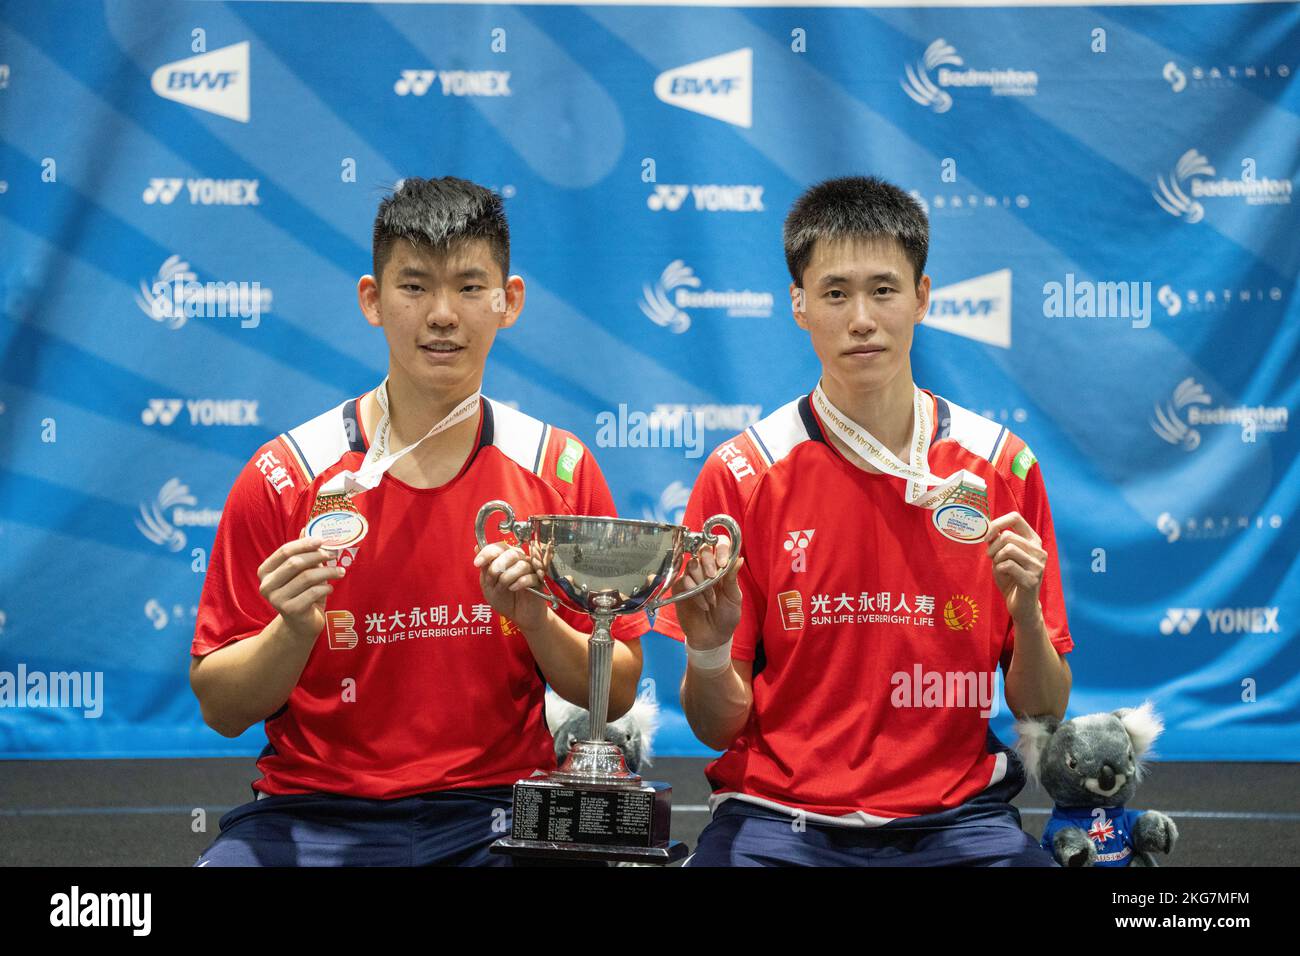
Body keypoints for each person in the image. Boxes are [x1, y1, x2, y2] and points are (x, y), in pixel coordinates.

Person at [189, 177, 646, 866]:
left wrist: (534, 618)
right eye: (413, 287)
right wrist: (293, 630)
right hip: (314, 809)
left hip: (501, 812)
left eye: (468, 287)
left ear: (508, 301)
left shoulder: (557, 469)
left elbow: (615, 689)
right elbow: (221, 710)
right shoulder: (285, 475)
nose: (441, 315)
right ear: (372, 300)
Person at [656, 175, 1073, 866]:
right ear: (798, 304)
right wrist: (706, 652)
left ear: (923, 297)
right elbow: (712, 727)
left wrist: (1027, 616)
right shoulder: (741, 474)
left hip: (957, 821)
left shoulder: (1003, 465)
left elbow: (1042, 711)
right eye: (835, 293)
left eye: (883, 290)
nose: (861, 318)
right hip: (780, 820)